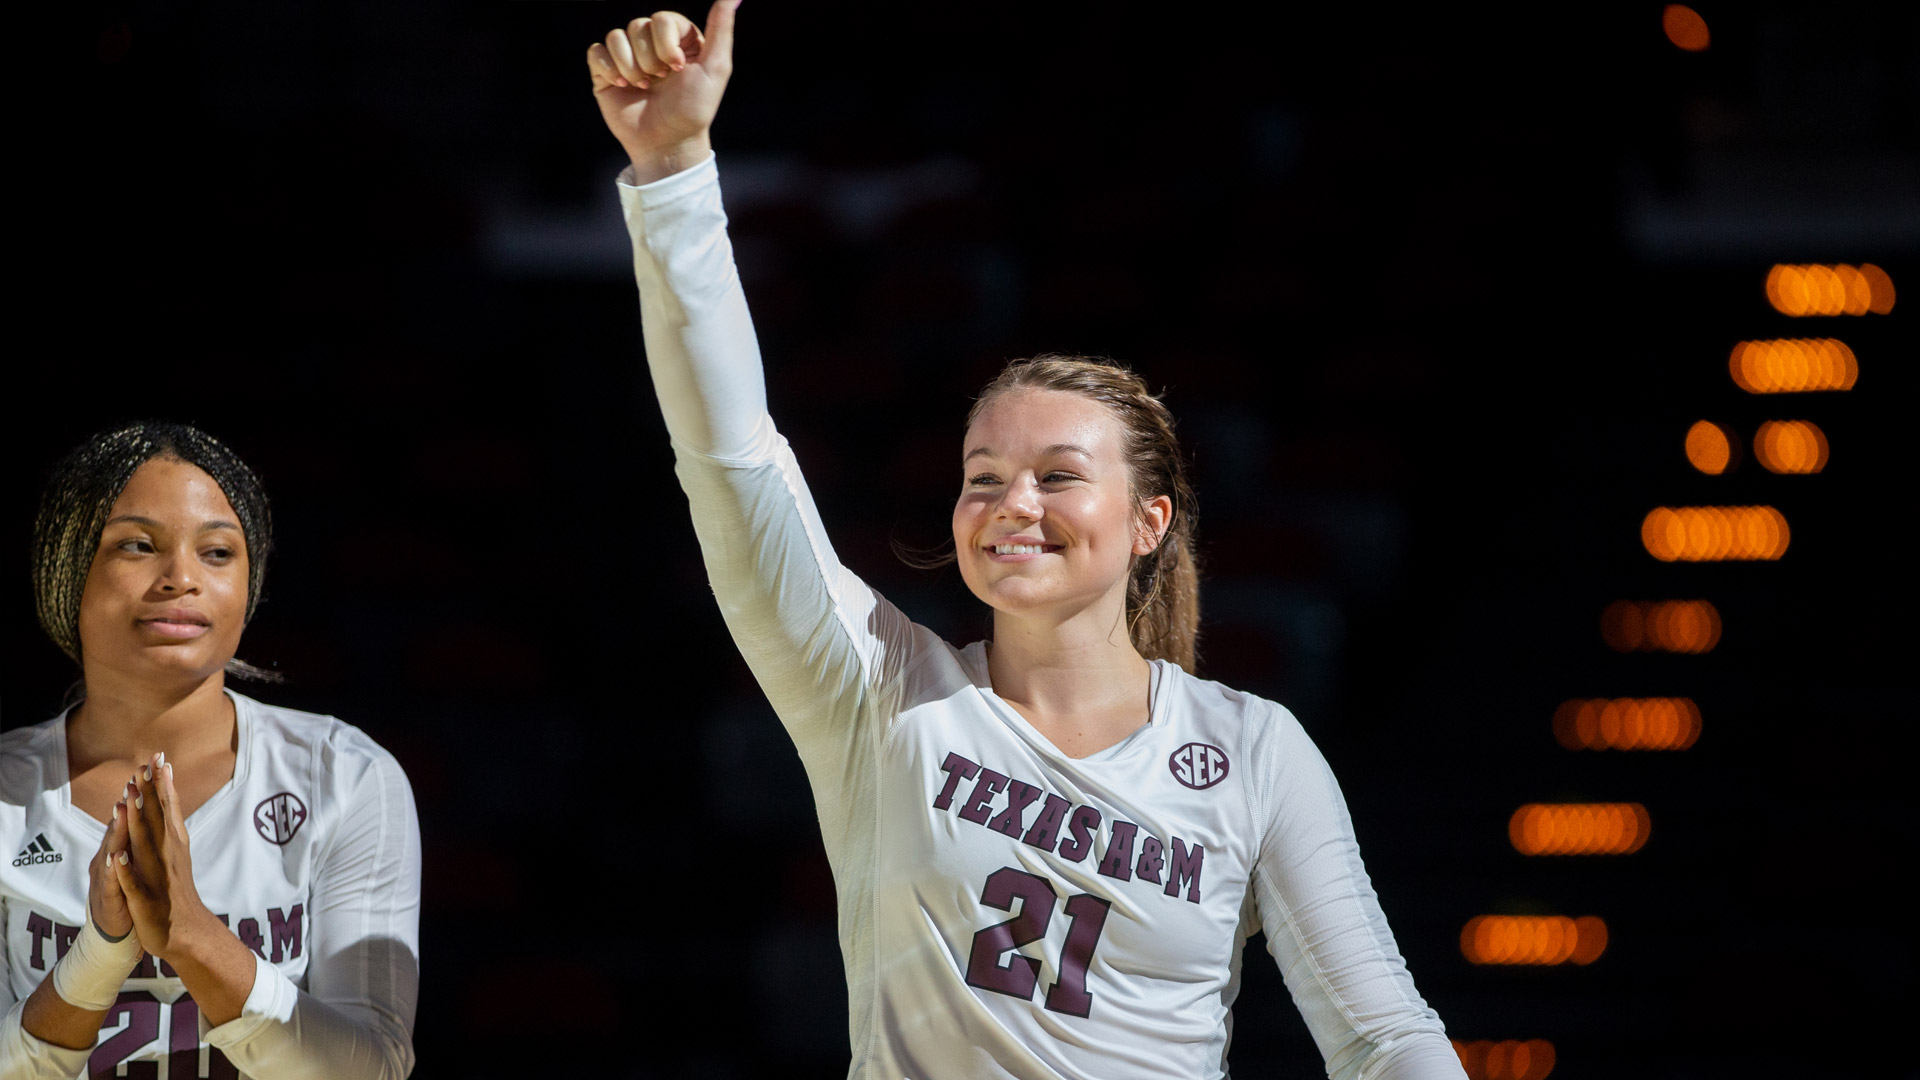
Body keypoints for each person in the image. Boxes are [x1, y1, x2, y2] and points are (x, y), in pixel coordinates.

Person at [591, 6, 1468, 1078]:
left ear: (1151, 523)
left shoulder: (1254, 752)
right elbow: (731, 458)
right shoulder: (879, 698)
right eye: (983, 479)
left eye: (1058, 476)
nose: (1013, 503)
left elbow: (1383, 1036)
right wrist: (676, 172)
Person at [0, 422, 420, 1079]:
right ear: (65, 570)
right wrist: (103, 953)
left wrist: (193, 933)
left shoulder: (344, 775)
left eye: (217, 552)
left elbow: (374, 1067)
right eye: (138, 545)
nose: (181, 578)